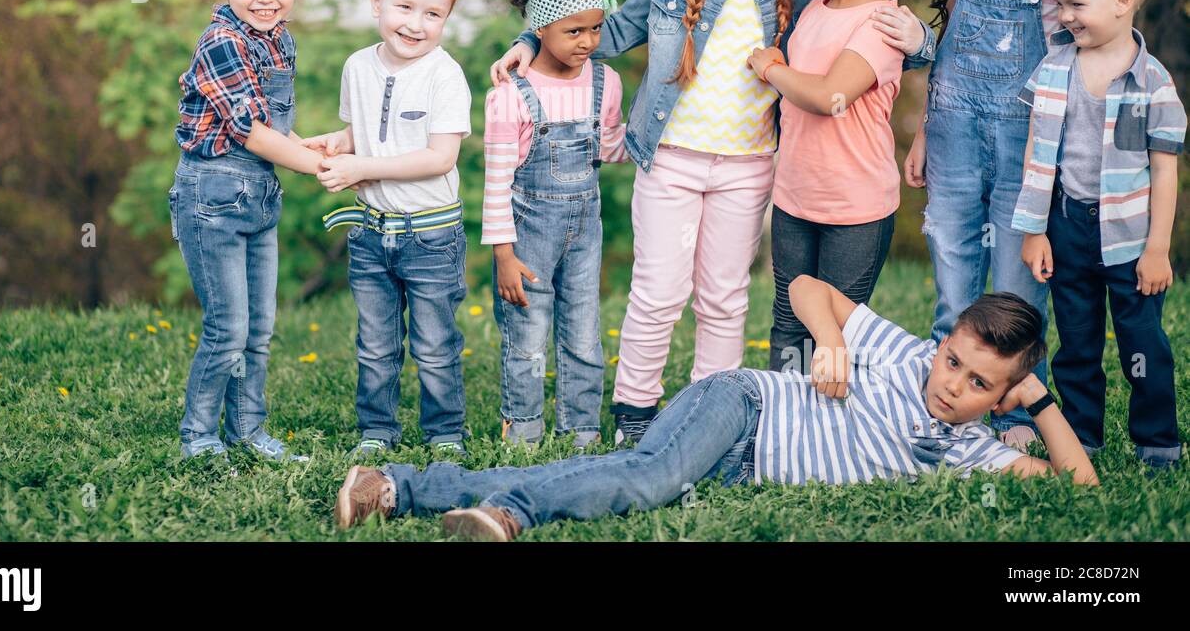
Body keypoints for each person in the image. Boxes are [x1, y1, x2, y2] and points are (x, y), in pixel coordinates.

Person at [333, 274, 1098, 540]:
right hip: (742, 408)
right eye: (953, 360)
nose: (951, 383)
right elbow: (807, 290)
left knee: (623, 475)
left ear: (1002, 399)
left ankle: (394, 487)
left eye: (976, 385)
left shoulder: (976, 451)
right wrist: (830, 339)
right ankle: (510, 516)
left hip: (736, 472)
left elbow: (1080, 488)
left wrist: (1041, 397)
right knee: (644, 479)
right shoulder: (903, 354)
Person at [906, 0, 1093, 450]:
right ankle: (940, 400)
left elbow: (1074, 57)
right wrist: (927, 127)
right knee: (950, 251)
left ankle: (1013, 412)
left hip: (1028, 134)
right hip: (955, 122)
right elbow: (950, 28)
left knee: (1016, 268)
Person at [748, 0, 944, 373]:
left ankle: (836, 428)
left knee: (838, 323)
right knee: (788, 319)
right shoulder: (816, 12)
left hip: (854, 211)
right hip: (795, 200)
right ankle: (783, 418)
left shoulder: (880, 24)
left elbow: (829, 95)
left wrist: (772, 68)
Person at [1014, 0, 1185, 471]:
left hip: (1131, 237)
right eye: (1058, 3)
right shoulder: (1055, 69)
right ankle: (1082, 435)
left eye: (1075, 4)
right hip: (1068, 225)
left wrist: (1157, 248)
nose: (1064, 16)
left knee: (1143, 346)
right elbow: (1037, 152)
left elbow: (1164, 170)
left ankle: (1157, 441)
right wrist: (1035, 229)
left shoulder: (1152, 82)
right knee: (1077, 342)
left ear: (1122, 1)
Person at [170, 0, 327, 462]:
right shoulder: (221, 42)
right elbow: (252, 133)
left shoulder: (280, 41)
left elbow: (271, 126)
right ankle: (199, 436)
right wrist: (311, 165)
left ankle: (248, 430)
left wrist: (311, 146)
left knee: (259, 329)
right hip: (212, 199)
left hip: (258, 199)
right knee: (228, 327)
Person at [313, 0, 473, 460]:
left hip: (430, 235)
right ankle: (377, 430)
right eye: (404, 6)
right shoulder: (358, 66)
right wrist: (339, 145)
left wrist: (363, 166)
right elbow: (360, 133)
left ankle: (445, 432)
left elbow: (438, 158)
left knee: (433, 344)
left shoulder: (445, 76)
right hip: (371, 231)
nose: (415, 24)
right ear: (376, 1)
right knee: (377, 344)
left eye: (433, 13)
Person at [483, 0, 629, 449]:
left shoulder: (604, 82)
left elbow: (610, 148)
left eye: (595, 28)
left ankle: (582, 429)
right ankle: (521, 430)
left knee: (585, 333)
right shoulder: (511, 94)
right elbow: (497, 181)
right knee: (526, 336)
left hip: (585, 232)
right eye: (573, 31)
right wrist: (503, 253)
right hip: (528, 238)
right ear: (539, 26)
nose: (587, 41)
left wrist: (660, 136)